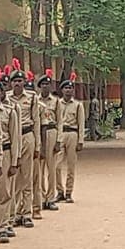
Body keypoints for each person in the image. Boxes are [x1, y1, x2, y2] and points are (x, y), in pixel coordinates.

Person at [0, 67, 21, 242]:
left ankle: (3, 225)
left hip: (6, 151)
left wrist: (15, 161)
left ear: (3, 93)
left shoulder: (10, 111)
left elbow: (15, 136)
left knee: (4, 190)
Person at [9, 65, 39, 227]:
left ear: (24, 82)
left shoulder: (32, 97)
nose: (17, 84)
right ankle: (13, 213)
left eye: (20, 81)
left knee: (26, 176)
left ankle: (26, 213)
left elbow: (36, 121)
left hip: (27, 136)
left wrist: (37, 145)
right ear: (10, 83)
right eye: (14, 81)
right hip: (12, 138)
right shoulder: (6, 98)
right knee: (12, 176)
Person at [56, 74, 86, 202]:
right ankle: (59, 191)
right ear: (62, 90)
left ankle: (69, 192)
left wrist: (80, 141)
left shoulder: (78, 105)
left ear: (73, 90)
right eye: (65, 88)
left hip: (73, 134)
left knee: (71, 165)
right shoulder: (57, 104)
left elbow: (81, 123)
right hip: (60, 134)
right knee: (56, 165)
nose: (68, 90)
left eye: (70, 88)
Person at [36, 70, 61, 212]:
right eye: (43, 84)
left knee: (51, 168)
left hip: (52, 132)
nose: (45, 86)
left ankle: (50, 198)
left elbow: (60, 121)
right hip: (39, 132)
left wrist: (59, 140)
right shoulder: (36, 100)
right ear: (39, 87)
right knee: (39, 169)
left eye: (47, 84)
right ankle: (41, 197)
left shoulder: (55, 101)